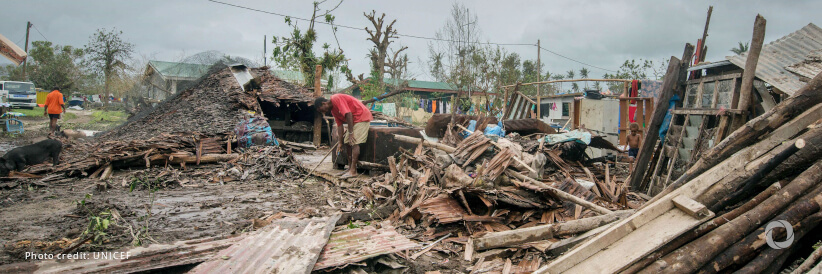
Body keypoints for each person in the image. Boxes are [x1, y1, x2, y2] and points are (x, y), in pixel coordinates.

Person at [315, 94, 373, 179]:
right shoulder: (333, 111)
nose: (323, 112)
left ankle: (353, 171)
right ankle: (350, 168)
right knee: (347, 142)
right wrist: (340, 143)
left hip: (362, 117)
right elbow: (339, 126)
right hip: (354, 121)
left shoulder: (336, 98)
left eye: (321, 110)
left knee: (354, 142)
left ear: (324, 103)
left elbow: (348, 114)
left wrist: (350, 133)